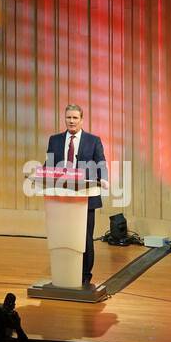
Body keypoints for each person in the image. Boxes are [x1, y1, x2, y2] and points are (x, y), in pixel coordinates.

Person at [45, 104, 108, 285]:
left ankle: (85, 276)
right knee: (63, 236)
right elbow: (49, 164)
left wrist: (103, 179)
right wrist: (39, 174)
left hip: (85, 198)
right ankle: (64, 273)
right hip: (60, 198)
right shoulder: (54, 140)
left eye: (75, 118)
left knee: (85, 237)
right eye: (68, 118)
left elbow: (101, 163)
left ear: (81, 119)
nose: (71, 121)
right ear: (64, 118)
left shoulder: (93, 140)